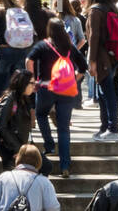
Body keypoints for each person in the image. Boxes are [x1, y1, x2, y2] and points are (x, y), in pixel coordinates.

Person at [27, 17, 87, 178]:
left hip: (46, 88)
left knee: (40, 114)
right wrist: (74, 79)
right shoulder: (70, 47)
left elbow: (29, 60)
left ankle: (49, 144)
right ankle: (65, 165)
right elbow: (83, 66)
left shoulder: (43, 45)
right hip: (66, 91)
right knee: (64, 128)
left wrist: (32, 80)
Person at [85, 0, 118, 140]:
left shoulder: (95, 10)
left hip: (101, 57)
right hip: (114, 56)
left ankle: (112, 128)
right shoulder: (113, 9)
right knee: (106, 93)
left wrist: (91, 60)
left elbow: (94, 37)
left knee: (106, 94)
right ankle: (104, 127)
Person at [0, 0, 34, 101]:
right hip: (21, 50)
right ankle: (16, 112)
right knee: (18, 85)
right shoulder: (21, 11)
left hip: (4, 49)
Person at [0, 70, 37, 170]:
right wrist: (18, 149)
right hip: (10, 149)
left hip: (21, 147)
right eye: (32, 83)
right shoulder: (10, 99)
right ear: (23, 83)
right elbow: (2, 127)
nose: (34, 86)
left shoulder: (25, 98)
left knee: (45, 166)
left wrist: (30, 146)